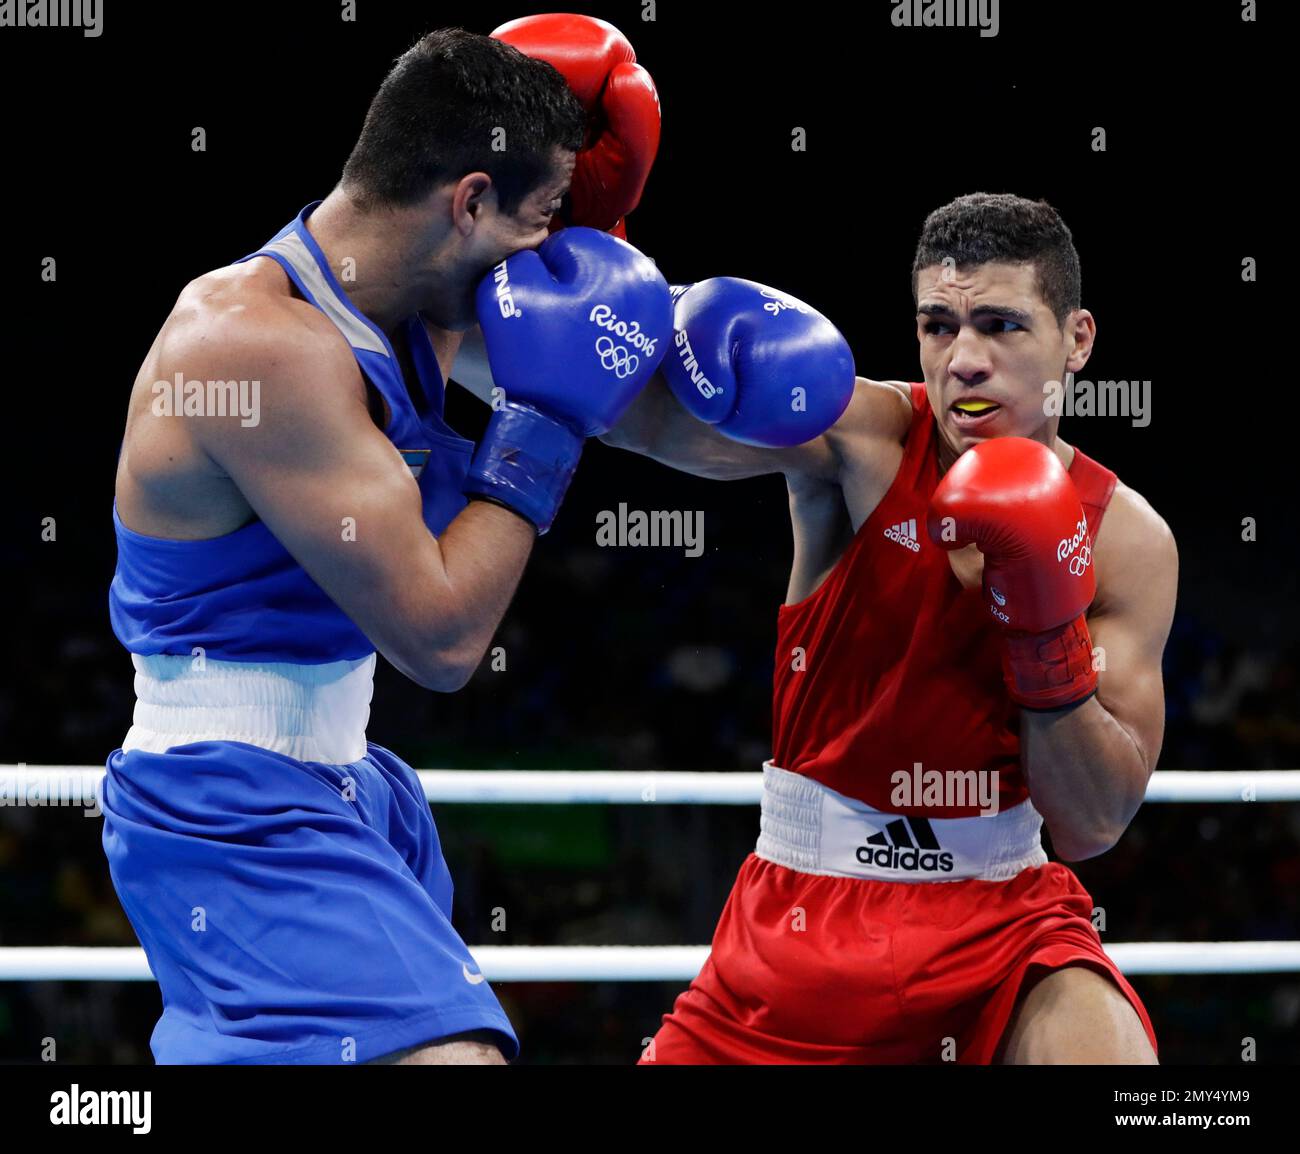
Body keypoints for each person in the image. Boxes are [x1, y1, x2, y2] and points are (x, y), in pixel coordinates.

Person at [101, 24, 668, 1065]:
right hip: (231, 799)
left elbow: (656, 409)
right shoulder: (255, 347)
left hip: (350, 781)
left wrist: (867, 422)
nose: (548, 257)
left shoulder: (420, 301)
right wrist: (545, 425)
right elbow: (444, 640)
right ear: (468, 203)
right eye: (542, 223)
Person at [595, 193, 1176, 1063]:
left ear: (1078, 341)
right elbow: (648, 423)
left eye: (1002, 326)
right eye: (938, 326)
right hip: (799, 919)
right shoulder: (861, 441)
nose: (965, 360)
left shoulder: (1124, 537)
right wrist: (552, 314)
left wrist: (1042, 632)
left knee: (1108, 1054)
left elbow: (1093, 822)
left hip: (1003, 922)